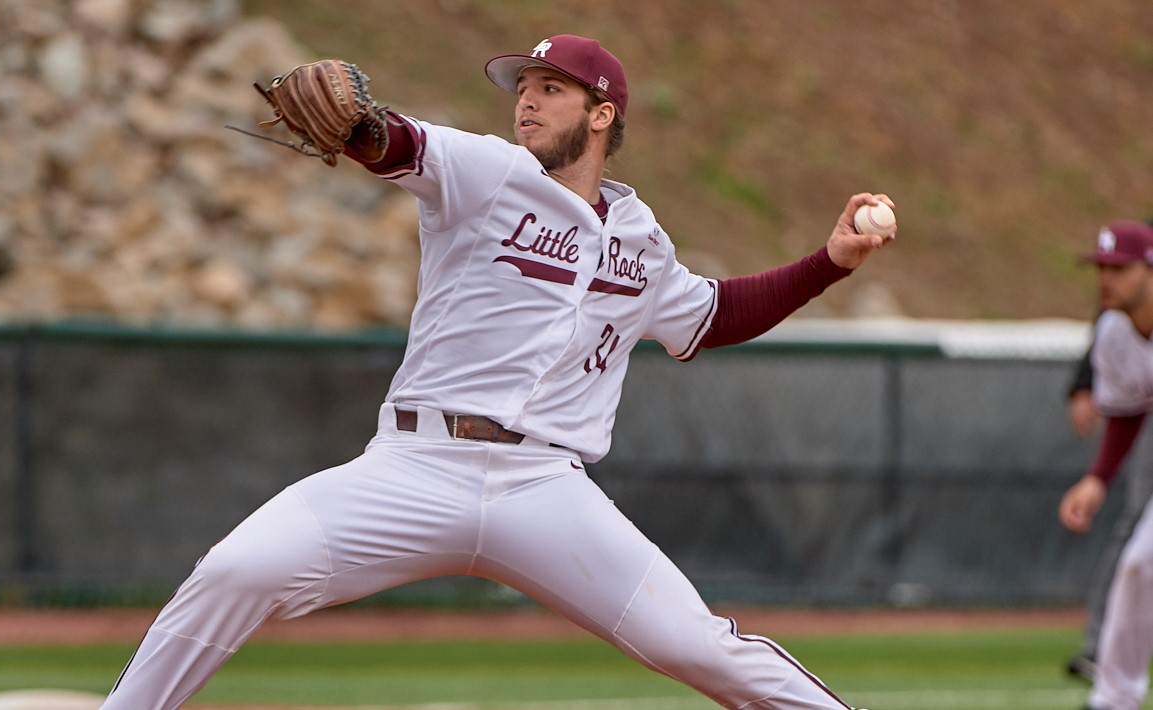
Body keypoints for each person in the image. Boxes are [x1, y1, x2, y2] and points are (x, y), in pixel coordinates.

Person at [100, 35, 892, 710]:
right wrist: (362, 131)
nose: (527, 102)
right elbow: (396, 144)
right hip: (415, 467)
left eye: (552, 89)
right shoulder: (483, 173)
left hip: (544, 488)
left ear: (602, 113)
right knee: (236, 570)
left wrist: (830, 263)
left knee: (699, 648)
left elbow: (713, 315)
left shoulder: (640, 239)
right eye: (523, 88)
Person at [1059, 220, 1153, 710]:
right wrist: (1098, 479)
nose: (1106, 278)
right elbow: (1126, 411)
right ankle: (1115, 696)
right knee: (1139, 562)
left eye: (1119, 267)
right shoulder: (1113, 332)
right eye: (1101, 266)